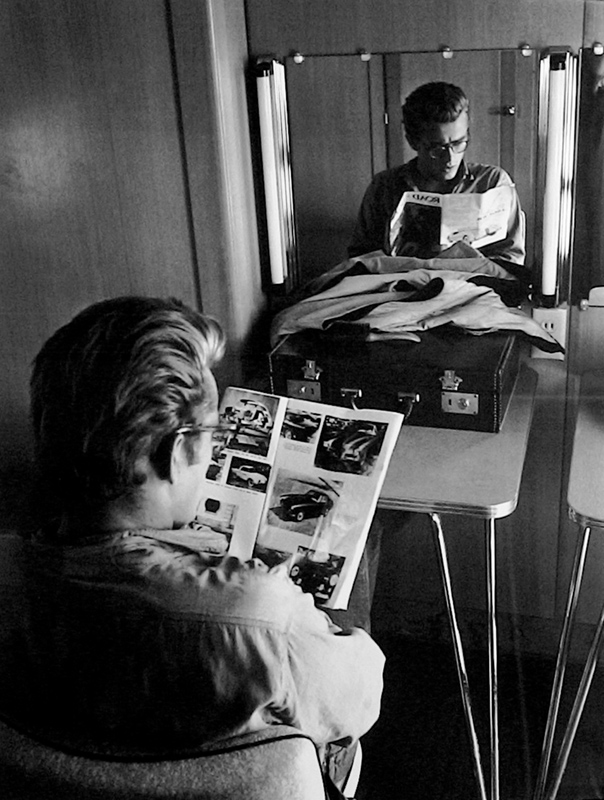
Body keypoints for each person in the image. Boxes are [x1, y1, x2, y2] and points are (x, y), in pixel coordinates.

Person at [0, 296, 384, 792]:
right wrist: (295, 609)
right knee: (361, 548)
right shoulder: (261, 618)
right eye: (212, 433)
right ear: (180, 451)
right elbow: (360, 698)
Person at [348, 81, 526, 278]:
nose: (450, 158)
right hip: (402, 294)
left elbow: (511, 259)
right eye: (437, 148)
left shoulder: (492, 183)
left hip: (474, 293)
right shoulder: (384, 186)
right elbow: (361, 259)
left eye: (459, 143)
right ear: (413, 141)